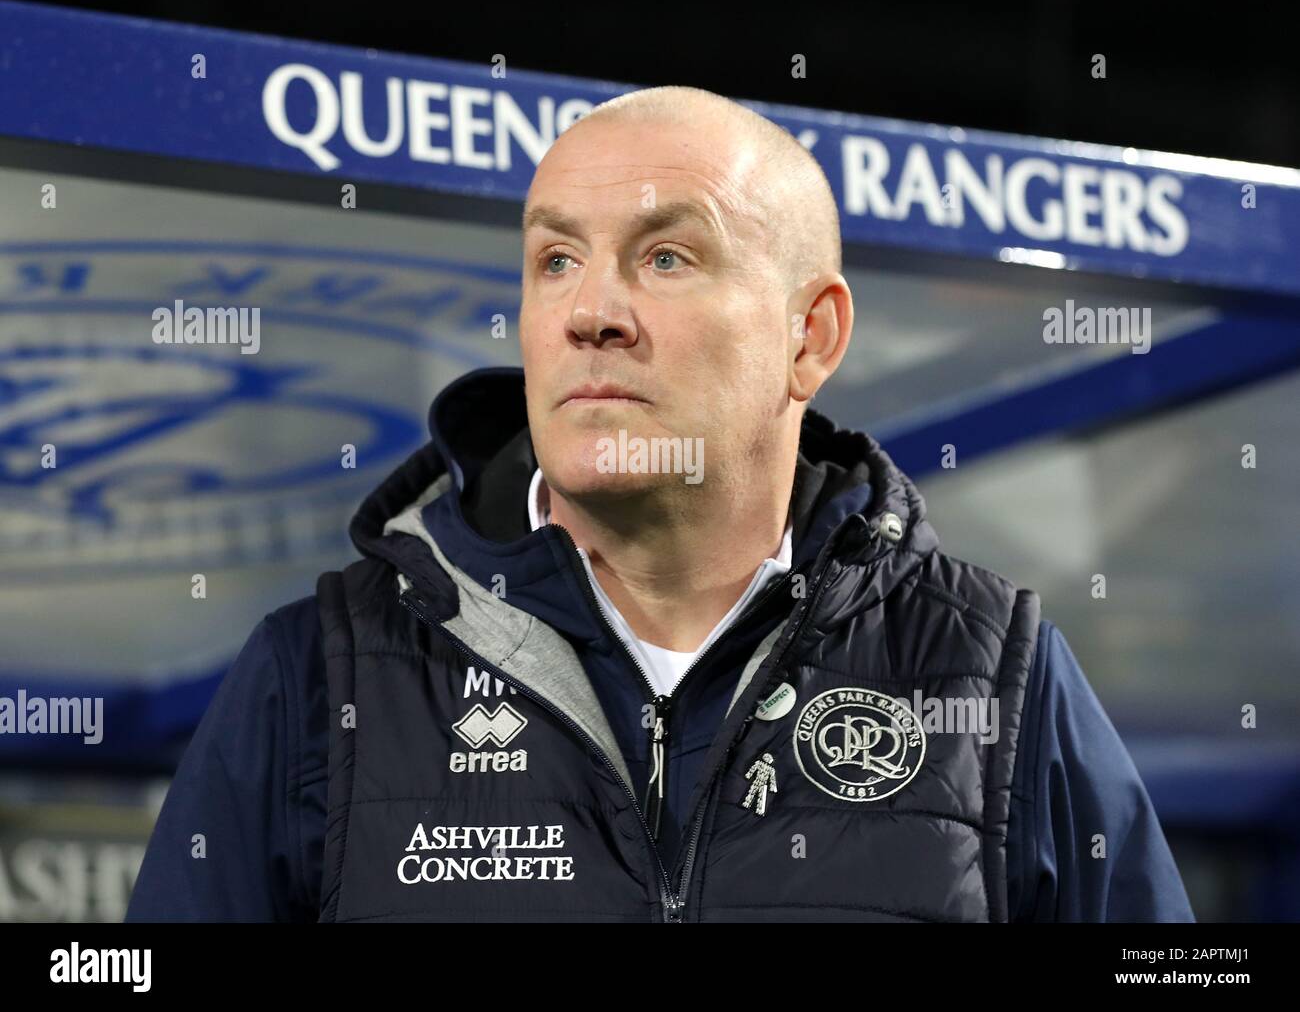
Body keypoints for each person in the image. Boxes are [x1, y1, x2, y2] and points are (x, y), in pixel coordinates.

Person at [126, 85, 1194, 923]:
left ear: (808, 336)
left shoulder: (994, 673)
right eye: (554, 260)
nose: (590, 312)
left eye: (667, 256)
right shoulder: (314, 674)